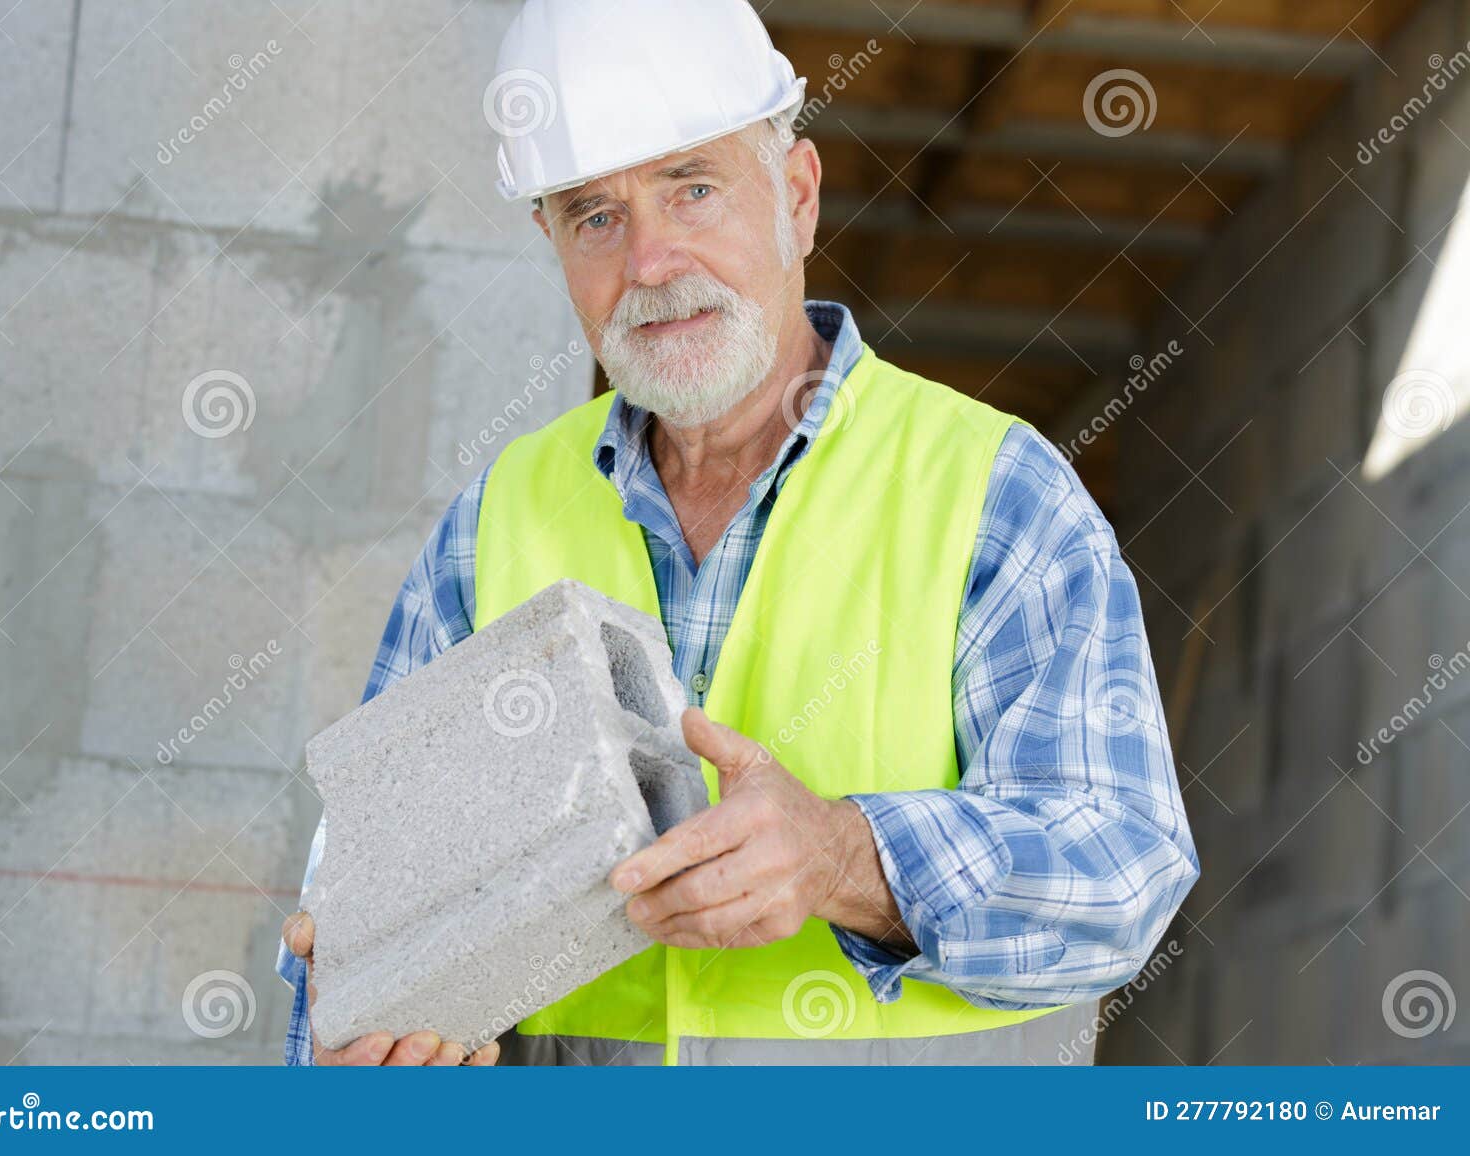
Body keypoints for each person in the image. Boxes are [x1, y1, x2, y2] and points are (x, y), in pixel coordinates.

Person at [277, 0, 1199, 1066]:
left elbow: (1122, 873)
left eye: (693, 188)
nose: (652, 261)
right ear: (553, 244)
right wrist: (357, 1050)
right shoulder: (497, 521)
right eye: (593, 216)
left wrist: (844, 857)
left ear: (796, 198)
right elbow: (355, 915)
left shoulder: (994, 493)